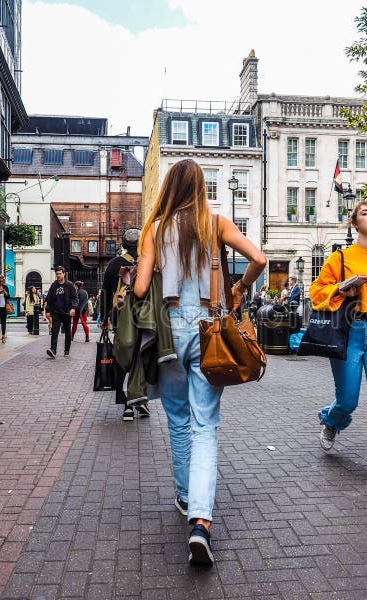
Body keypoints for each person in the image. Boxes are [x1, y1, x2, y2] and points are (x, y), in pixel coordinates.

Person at [134, 159, 266, 566]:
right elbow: (258, 259)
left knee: (177, 420)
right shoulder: (216, 222)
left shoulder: (154, 229)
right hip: (210, 331)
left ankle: (186, 495)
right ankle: (200, 522)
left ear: (169, 188)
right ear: (200, 188)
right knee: (205, 426)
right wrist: (241, 285)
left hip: (170, 334)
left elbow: (140, 288)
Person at [311, 198, 367, 487]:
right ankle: (331, 420)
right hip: (348, 330)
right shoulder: (340, 258)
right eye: (365, 213)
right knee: (348, 400)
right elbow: (316, 292)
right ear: (355, 222)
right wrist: (342, 288)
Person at [101, 228, 146, 421]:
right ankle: (141, 400)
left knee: (122, 359)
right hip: (145, 315)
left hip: (120, 318)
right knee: (141, 357)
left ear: (123, 244)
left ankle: (127, 406)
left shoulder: (113, 265)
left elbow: (104, 293)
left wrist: (103, 318)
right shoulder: (147, 262)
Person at [44, 266, 78, 359]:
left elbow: (75, 298)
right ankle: (53, 350)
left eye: (60, 273)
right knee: (54, 332)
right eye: (57, 274)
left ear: (64, 273)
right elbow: (49, 299)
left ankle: (66, 350)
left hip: (66, 313)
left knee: (68, 332)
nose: (58, 276)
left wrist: (73, 308)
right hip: (56, 312)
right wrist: (47, 310)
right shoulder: (54, 285)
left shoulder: (70, 285)